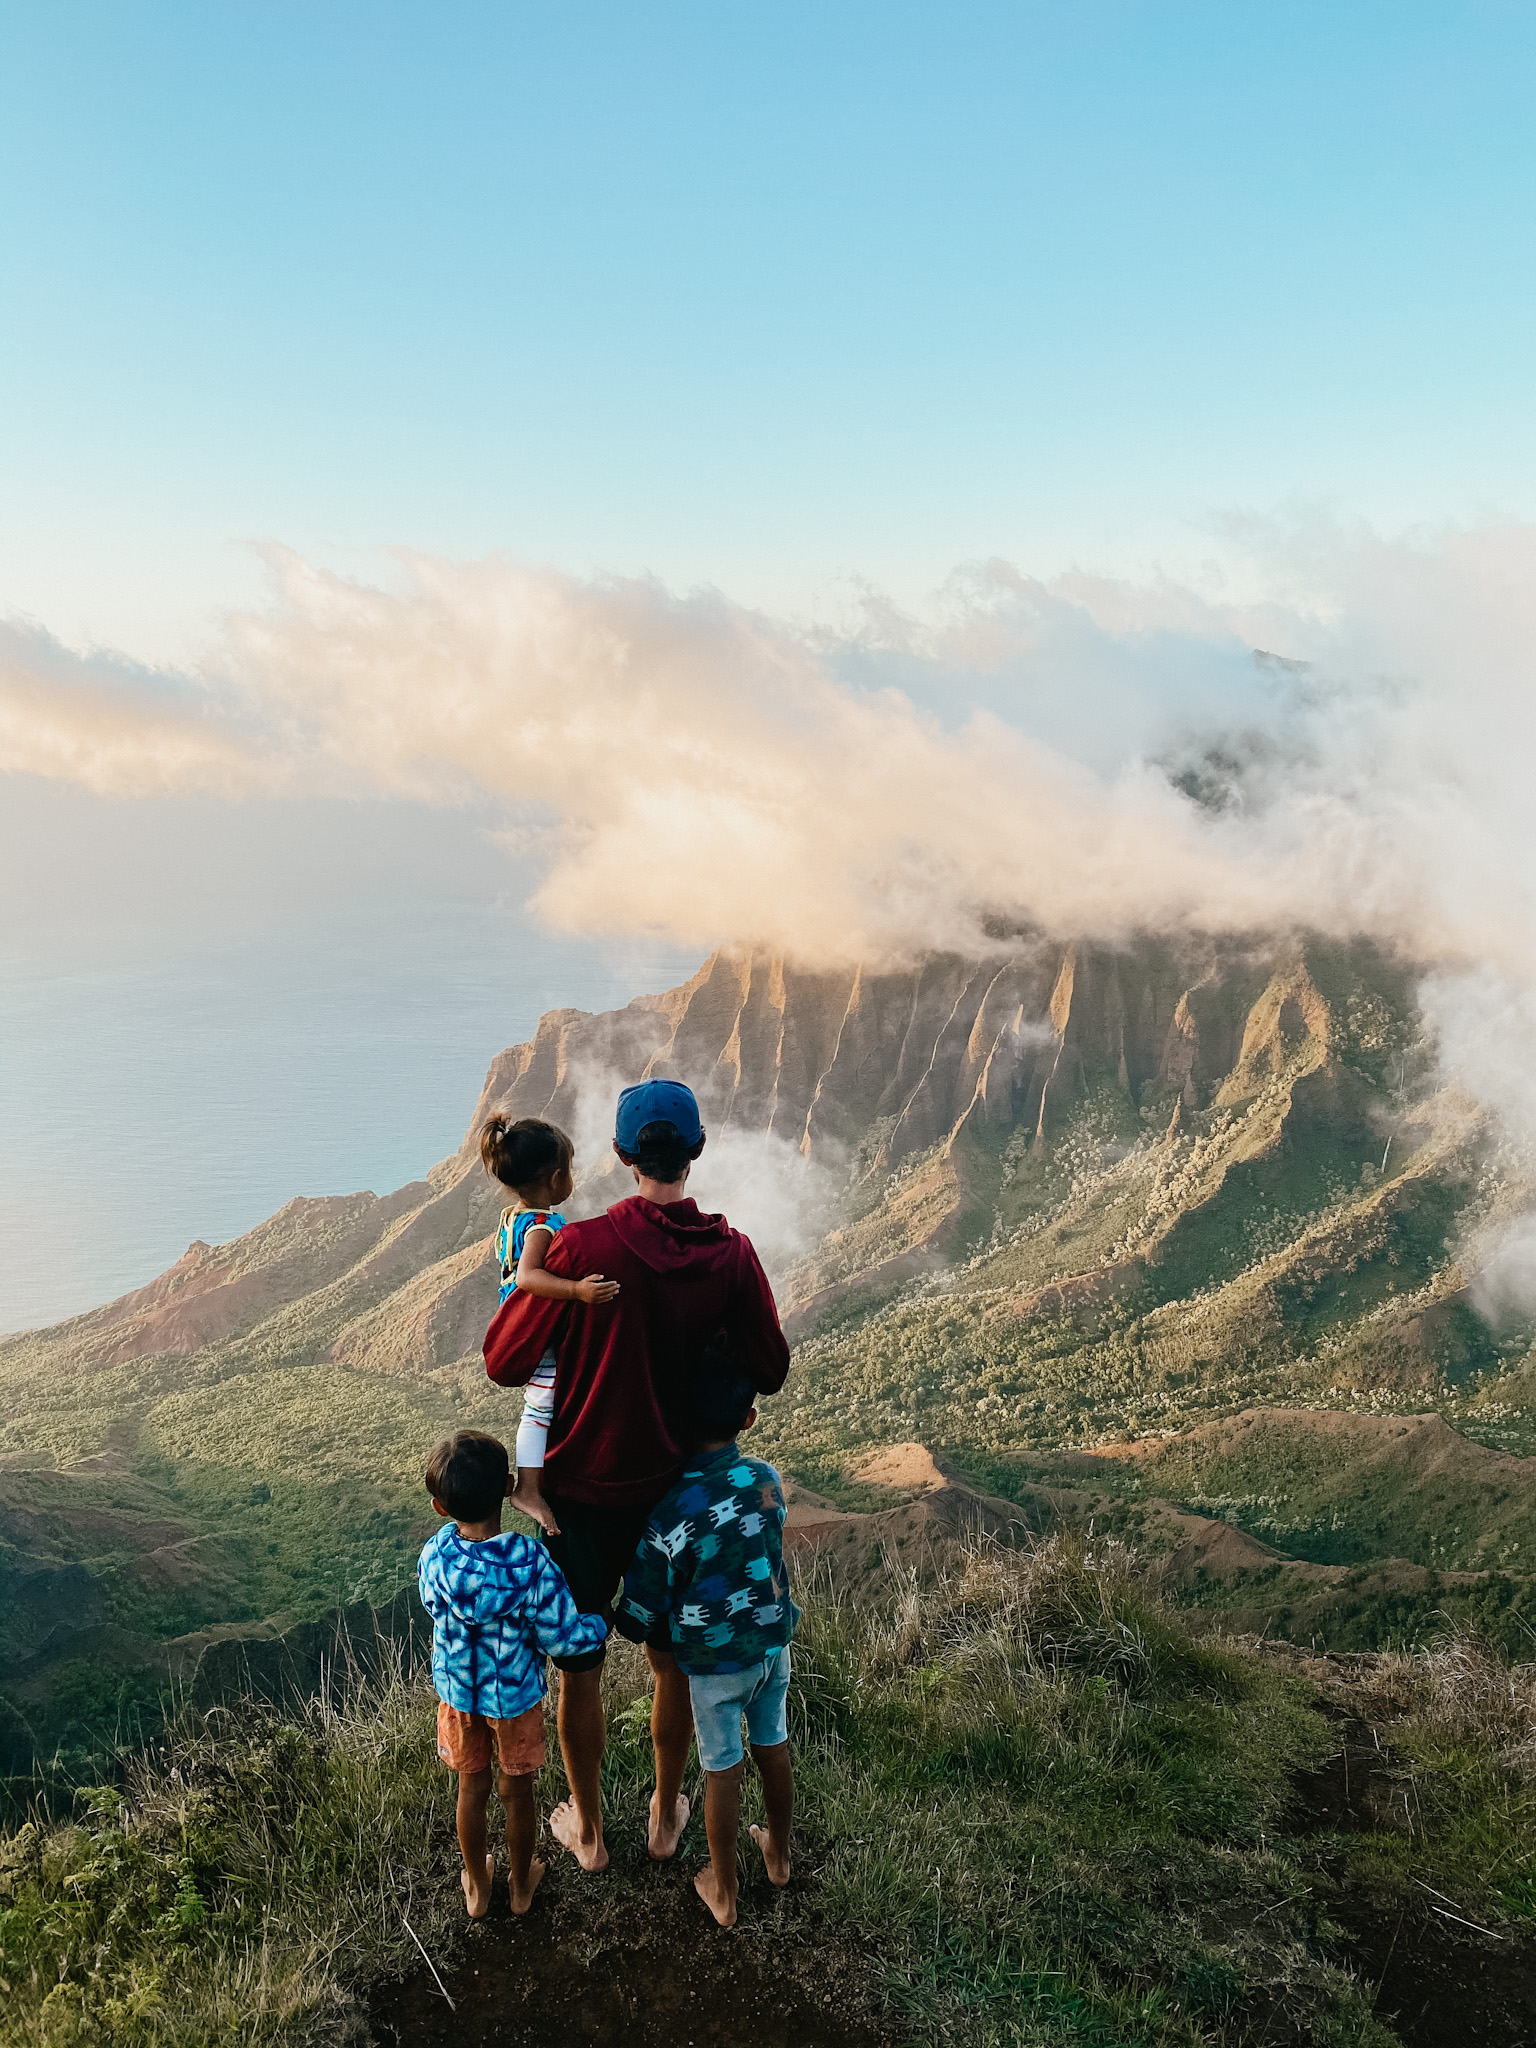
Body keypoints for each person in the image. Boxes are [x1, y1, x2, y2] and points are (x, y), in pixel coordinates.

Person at [483, 1077, 790, 1876]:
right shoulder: (729, 1255)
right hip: (676, 1491)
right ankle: (662, 1814)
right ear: (693, 1151)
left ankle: (587, 1831)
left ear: (621, 1156)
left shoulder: (582, 1249)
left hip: (576, 1499)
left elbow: (503, 1360)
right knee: (670, 1659)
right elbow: (771, 1365)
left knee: (579, 1663)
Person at [616, 1355, 797, 1927]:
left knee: (722, 1768)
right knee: (773, 1745)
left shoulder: (671, 1514)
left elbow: (644, 1606)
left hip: (716, 1665)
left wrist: (616, 1620)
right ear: (748, 1419)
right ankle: (778, 1855)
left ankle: (723, 1888)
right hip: (773, 1646)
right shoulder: (766, 1479)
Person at [417, 1429, 607, 1917]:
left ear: (441, 1507)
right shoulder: (528, 1562)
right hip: (515, 1701)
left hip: (459, 1698)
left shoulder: (436, 1555)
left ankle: (478, 1888)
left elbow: (431, 1603)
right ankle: (521, 1886)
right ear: (507, 1486)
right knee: (516, 1793)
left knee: (471, 1789)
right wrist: (601, 1623)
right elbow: (562, 1637)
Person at [479, 1115, 620, 1536]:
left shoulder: (511, 1215)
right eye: (570, 1171)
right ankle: (528, 1487)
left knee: (543, 1405)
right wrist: (576, 1291)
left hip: (517, 1324)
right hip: (537, 1335)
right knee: (540, 1410)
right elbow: (527, 1277)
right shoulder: (542, 1225)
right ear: (557, 1177)